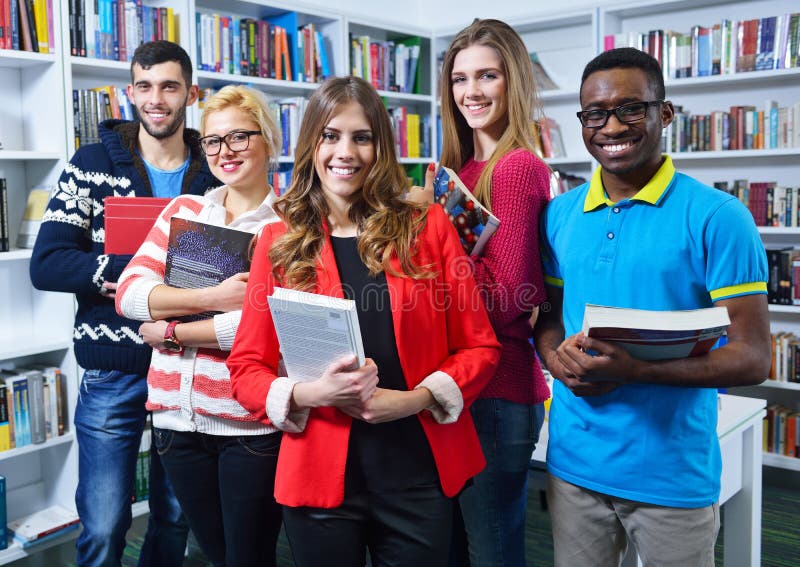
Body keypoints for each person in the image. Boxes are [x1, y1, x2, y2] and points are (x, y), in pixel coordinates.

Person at [226, 76, 501, 567]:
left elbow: (480, 347)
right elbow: (247, 367)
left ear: (381, 147)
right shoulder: (278, 241)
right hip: (319, 473)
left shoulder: (428, 227)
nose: (345, 151)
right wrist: (311, 394)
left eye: (362, 137)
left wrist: (416, 400)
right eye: (330, 135)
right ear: (311, 143)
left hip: (417, 470)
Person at [535, 47, 770, 566]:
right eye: (595, 114)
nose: (611, 125)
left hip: (671, 473)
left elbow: (753, 358)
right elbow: (550, 319)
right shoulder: (557, 215)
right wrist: (555, 359)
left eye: (630, 108)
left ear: (665, 113)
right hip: (573, 465)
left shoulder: (719, 217)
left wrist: (636, 369)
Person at [30, 40, 219, 566]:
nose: (155, 99)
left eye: (169, 86)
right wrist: (125, 275)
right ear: (130, 91)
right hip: (114, 371)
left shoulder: (214, 171)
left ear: (191, 93)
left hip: (188, 366)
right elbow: (46, 263)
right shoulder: (92, 163)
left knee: (176, 516)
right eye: (144, 85)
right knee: (105, 521)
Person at [116, 85, 284, 567]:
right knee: (214, 553)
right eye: (212, 141)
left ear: (267, 139)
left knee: (248, 558)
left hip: (248, 428)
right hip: (173, 423)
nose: (224, 152)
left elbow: (268, 330)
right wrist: (213, 298)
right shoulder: (182, 212)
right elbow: (130, 296)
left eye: (238, 137)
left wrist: (170, 329)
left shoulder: (291, 225)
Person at [409, 18, 552, 567]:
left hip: (498, 388)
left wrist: (436, 256)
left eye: (487, 75)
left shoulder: (515, 168)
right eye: (460, 78)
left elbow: (513, 294)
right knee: (458, 546)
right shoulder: (458, 168)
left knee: (491, 547)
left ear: (512, 80)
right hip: (461, 380)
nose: (471, 92)